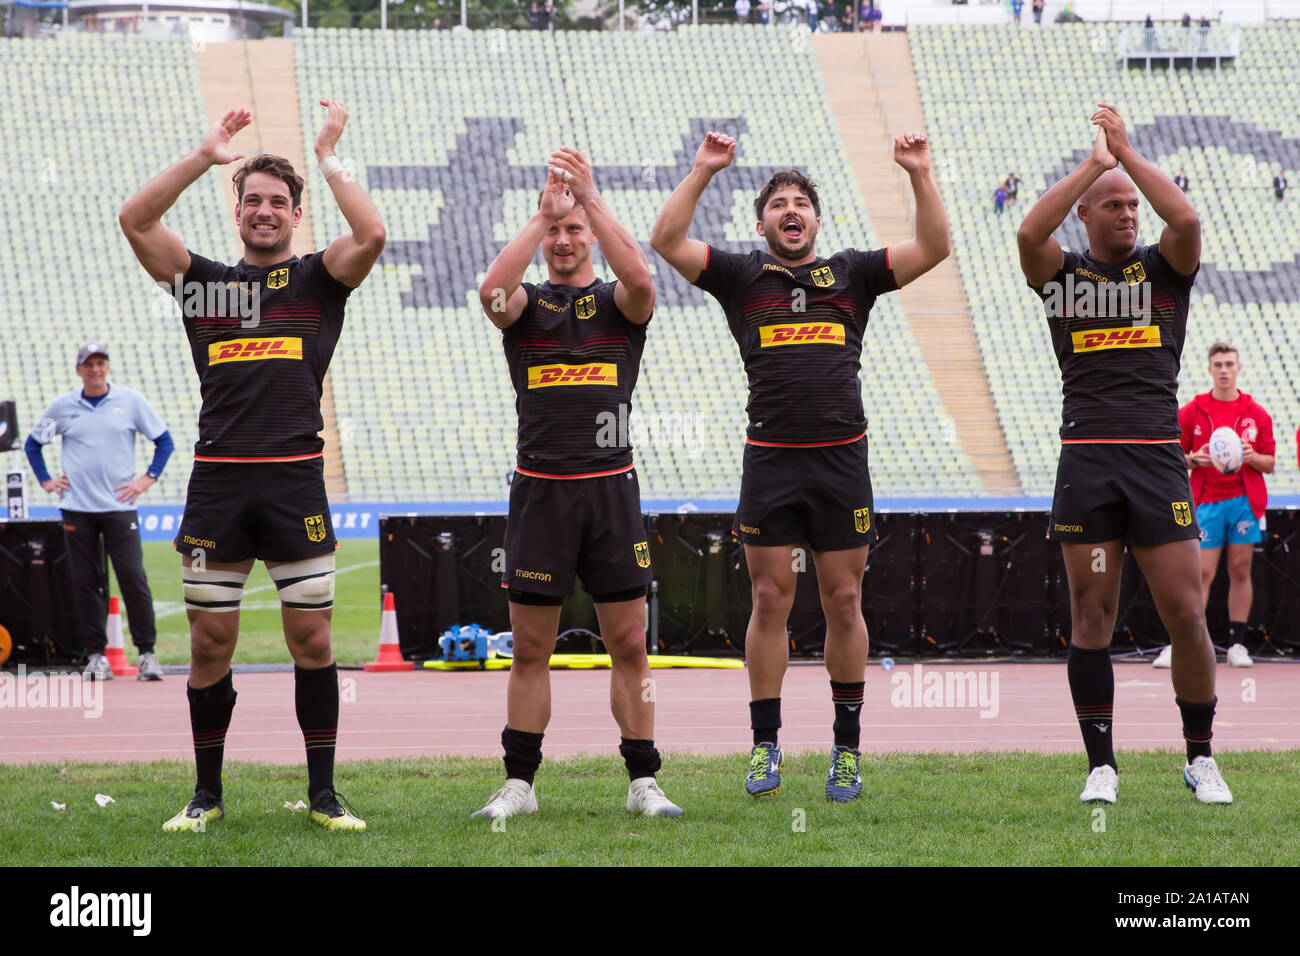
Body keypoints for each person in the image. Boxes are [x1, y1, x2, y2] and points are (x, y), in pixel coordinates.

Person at [650, 131, 950, 802]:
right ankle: (765, 746)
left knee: (845, 600)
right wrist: (703, 171)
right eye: (779, 204)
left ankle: (847, 752)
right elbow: (666, 240)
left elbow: (934, 248)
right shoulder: (740, 276)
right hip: (771, 464)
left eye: (802, 204)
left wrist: (920, 174)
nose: (792, 211)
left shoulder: (853, 273)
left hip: (842, 464)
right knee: (768, 599)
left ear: (817, 219)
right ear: (760, 223)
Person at [119, 102, 386, 832]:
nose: (264, 212)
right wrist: (204, 155)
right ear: (236, 211)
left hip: (296, 481)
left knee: (314, 641)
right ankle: (206, 795)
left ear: (296, 215)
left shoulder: (319, 280)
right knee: (209, 642)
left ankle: (325, 795)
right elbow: (136, 220)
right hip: (218, 487)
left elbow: (372, 234)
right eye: (253, 201)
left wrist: (329, 155)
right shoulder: (204, 284)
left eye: (277, 202)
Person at [1018, 103, 1232, 806]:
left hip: (1156, 463)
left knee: (1187, 613)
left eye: (1132, 207)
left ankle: (1201, 758)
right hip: (1087, 464)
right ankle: (1101, 765)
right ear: (1084, 214)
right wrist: (1094, 165)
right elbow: (1027, 231)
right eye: (1112, 206)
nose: (1127, 213)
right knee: (1092, 616)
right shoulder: (1064, 276)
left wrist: (1128, 155)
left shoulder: (1164, 271)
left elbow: (1190, 222)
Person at [472, 148, 678, 821]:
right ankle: (520, 785)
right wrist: (541, 216)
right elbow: (490, 296)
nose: (564, 241)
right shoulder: (526, 307)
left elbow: (643, 280)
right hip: (540, 494)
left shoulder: (619, 305)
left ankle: (643, 781)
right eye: (556, 233)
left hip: (611, 493)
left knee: (630, 646)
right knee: (531, 648)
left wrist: (589, 200)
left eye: (574, 231)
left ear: (591, 234)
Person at [26, 343, 173, 681]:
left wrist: (147, 479)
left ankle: (148, 654)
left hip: (121, 507)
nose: (95, 369)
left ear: (108, 367)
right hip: (77, 508)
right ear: (78, 370)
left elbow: (164, 441)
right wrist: (47, 480)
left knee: (134, 580)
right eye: (88, 364)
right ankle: (96, 656)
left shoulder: (131, 402)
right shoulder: (63, 407)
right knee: (86, 584)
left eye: (100, 363)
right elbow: (34, 444)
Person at [1179, 343, 1274, 650]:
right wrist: (1194, 459)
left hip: (1244, 501)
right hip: (1206, 501)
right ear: (1209, 369)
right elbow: (1170, 457)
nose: (1223, 370)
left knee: (1240, 568)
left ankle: (1237, 643)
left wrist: (1251, 456)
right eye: (1218, 364)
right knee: (1202, 572)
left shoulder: (1256, 413)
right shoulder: (1192, 411)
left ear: (1238, 368)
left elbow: (1270, 463)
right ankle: (1191, 642)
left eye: (1229, 364)